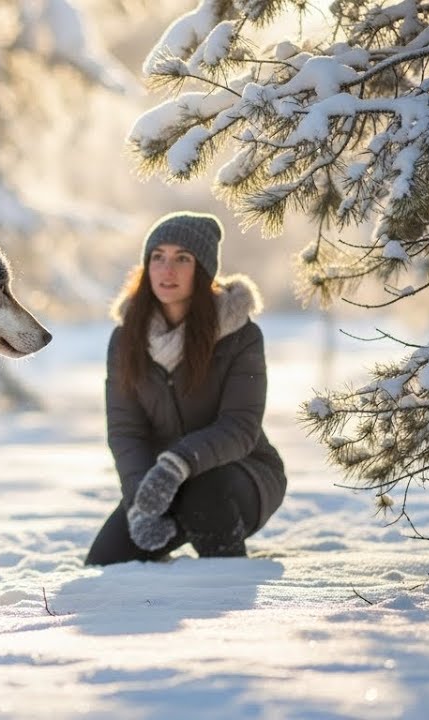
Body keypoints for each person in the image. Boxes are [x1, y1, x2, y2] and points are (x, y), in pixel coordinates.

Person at [85, 211, 287, 565]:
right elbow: (125, 430)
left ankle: (228, 584)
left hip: (244, 475)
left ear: (203, 269)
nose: (168, 270)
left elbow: (240, 427)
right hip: (159, 483)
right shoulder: (125, 339)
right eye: (158, 257)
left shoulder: (239, 335)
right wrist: (139, 501)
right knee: (106, 560)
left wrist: (176, 463)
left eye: (182, 258)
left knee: (202, 491)